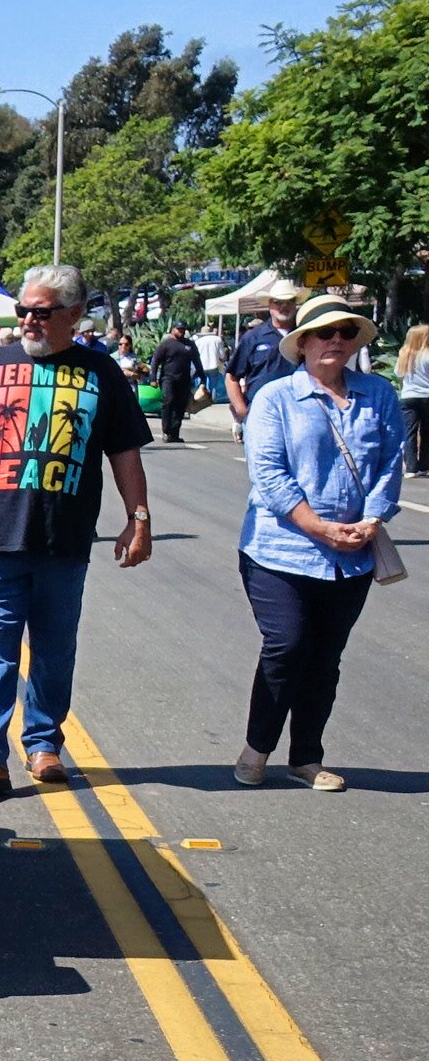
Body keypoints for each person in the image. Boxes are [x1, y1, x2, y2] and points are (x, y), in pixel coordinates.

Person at [0, 263, 153, 795]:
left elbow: (124, 451)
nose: (27, 321)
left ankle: (43, 745)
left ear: (73, 314)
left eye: (40, 313)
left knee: (54, 646)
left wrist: (138, 518)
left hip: (63, 540)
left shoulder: (100, 372)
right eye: (22, 311)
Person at [234, 293, 407, 791]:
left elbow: (391, 463)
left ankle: (307, 757)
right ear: (302, 342)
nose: (336, 340)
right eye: (324, 332)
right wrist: (319, 526)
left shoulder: (378, 394)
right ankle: (257, 747)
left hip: (351, 555)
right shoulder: (276, 398)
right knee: (286, 646)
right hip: (279, 550)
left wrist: (371, 521)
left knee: (325, 657)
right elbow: (269, 473)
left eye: (346, 333)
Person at [227, 283, 304, 439]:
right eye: (278, 302)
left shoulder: (305, 335)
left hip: (301, 414)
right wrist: (242, 410)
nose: (284, 306)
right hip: (262, 415)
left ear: (295, 304)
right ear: (269, 304)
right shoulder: (253, 337)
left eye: (289, 301)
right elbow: (232, 377)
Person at [149, 321, 200, 444]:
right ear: (173, 329)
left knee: (180, 406)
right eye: (178, 329)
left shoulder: (189, 345)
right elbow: (155, 361)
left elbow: (197, 361)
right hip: (168, 378)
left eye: (183, 330)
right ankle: (166, 431)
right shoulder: (166, 344)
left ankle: (175, 433)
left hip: (184, 379)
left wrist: (202, 377)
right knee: (168, 402)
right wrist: (153, 378)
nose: (181, 332)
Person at [397, 323, 429, 476]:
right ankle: (424, 465)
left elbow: (398, 373)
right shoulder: (427, 355)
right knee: (426, 432)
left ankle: (410, 467)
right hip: (427, 396)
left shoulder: (405, 354)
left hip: (408, 396)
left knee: (409, 432)